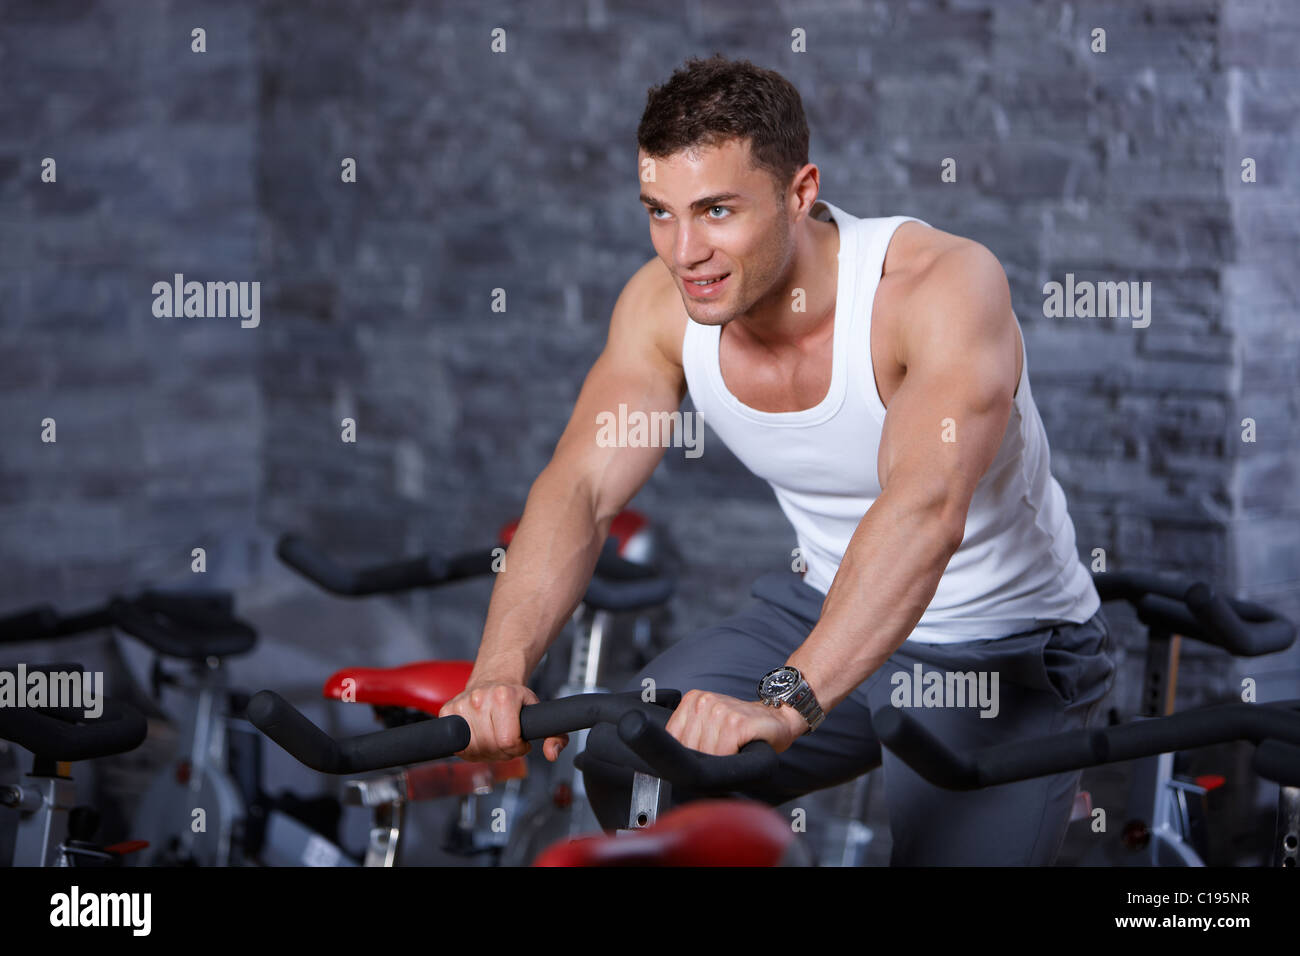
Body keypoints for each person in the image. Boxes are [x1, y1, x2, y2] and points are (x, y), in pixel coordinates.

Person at [440, 53, 1114, 864]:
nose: (683, 251)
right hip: (824, 605)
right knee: (630, 757)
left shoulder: (935, 288)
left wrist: (787, 699)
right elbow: (580, 487)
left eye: (717, 210)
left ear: (799, 192)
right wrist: (500, 669)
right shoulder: (660, 309)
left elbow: (926, 509)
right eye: (659, 212)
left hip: (1001, 645)